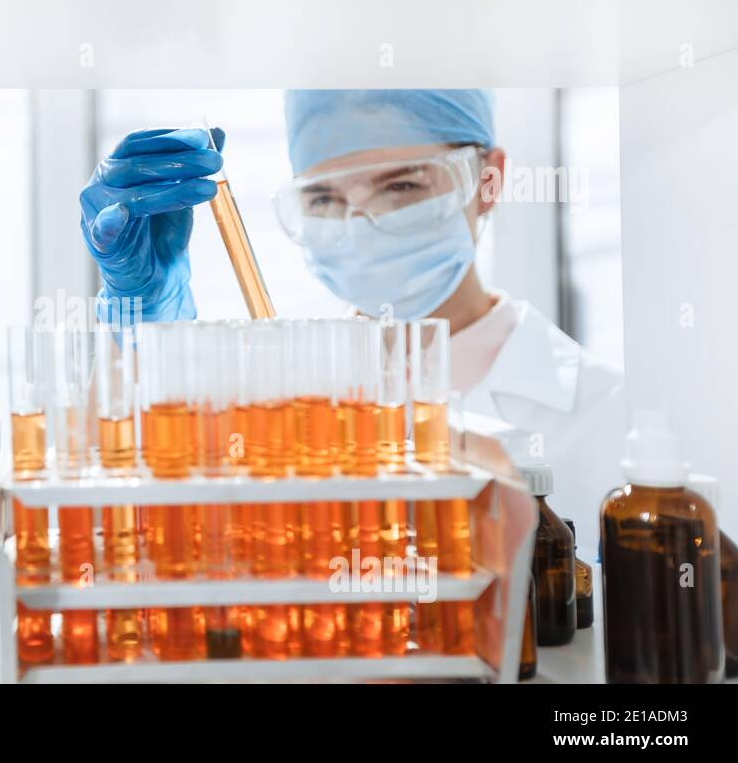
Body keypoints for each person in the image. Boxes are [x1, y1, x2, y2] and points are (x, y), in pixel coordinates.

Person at [79, 90, 624, 551]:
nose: (362, 225)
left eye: (402, 186)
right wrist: (142, 322)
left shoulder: (601, 410)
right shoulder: (279, 384)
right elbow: (137, 512)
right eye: (323, 197)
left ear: (488, 181)